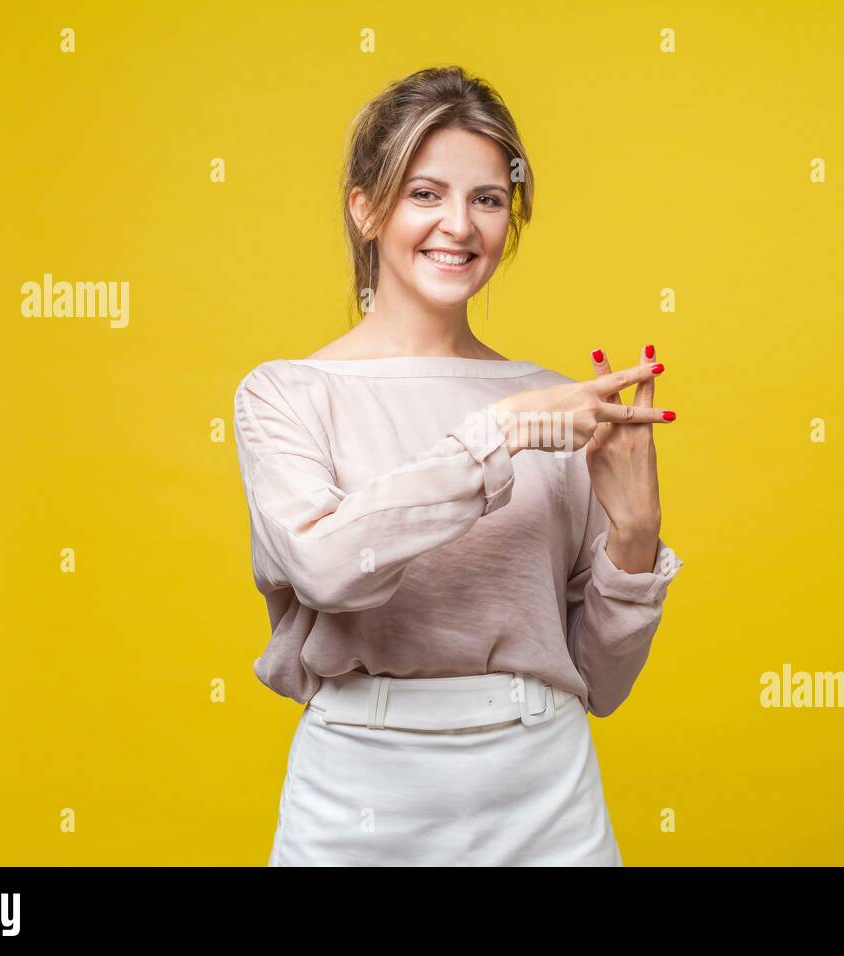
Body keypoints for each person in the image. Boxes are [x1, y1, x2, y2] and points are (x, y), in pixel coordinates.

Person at [232, 65, 684, 866]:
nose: (460, 226)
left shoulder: (555, 400)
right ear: (365, 207)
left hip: (546, 796)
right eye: (425, 194)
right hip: (357, 798)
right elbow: (332, 568)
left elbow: (603, 683)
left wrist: (638, 535)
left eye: (487, 199)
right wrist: (501, 435)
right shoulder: (288, 395)